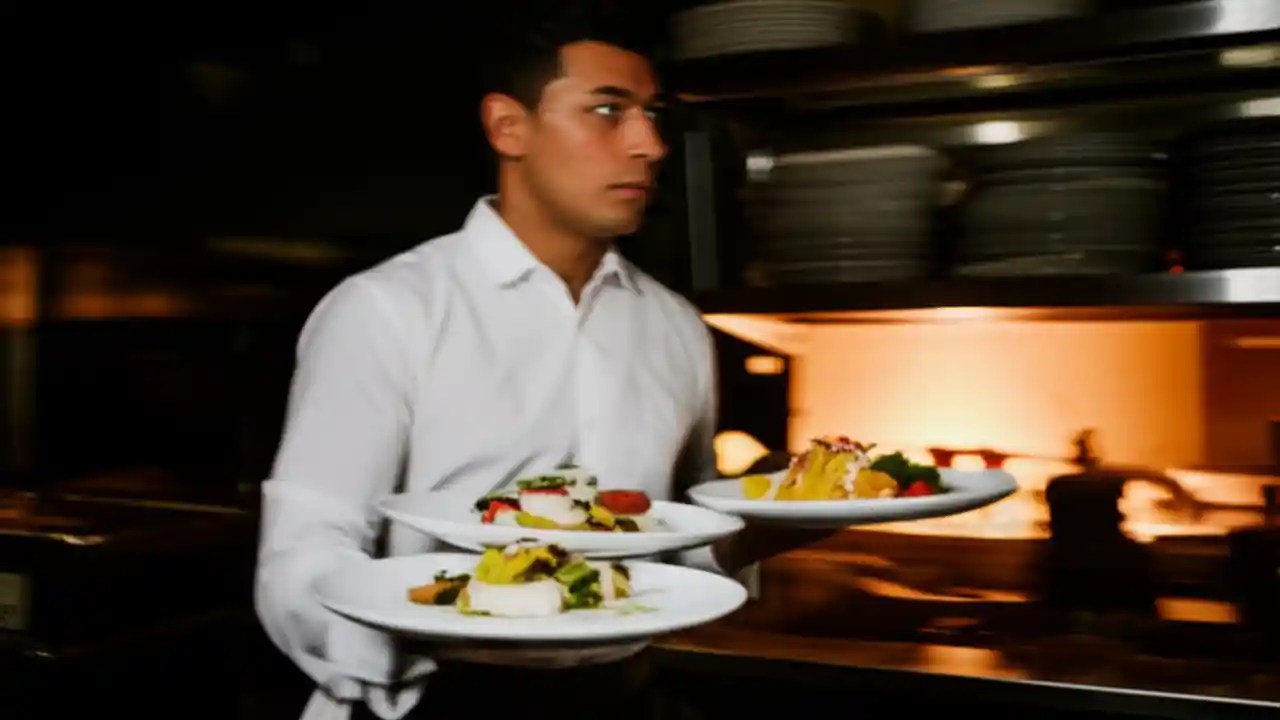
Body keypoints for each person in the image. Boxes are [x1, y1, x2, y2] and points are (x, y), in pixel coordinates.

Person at [253, 5, 833, 719]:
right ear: (508, 126)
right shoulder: (385, 309)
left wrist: (764, 521)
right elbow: (306, 550)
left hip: (625, 697)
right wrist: (398, 675)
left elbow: (674, 546)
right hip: (428, 696)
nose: (650, 144)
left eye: (652, 115)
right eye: (607, 110)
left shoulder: (676, 325)